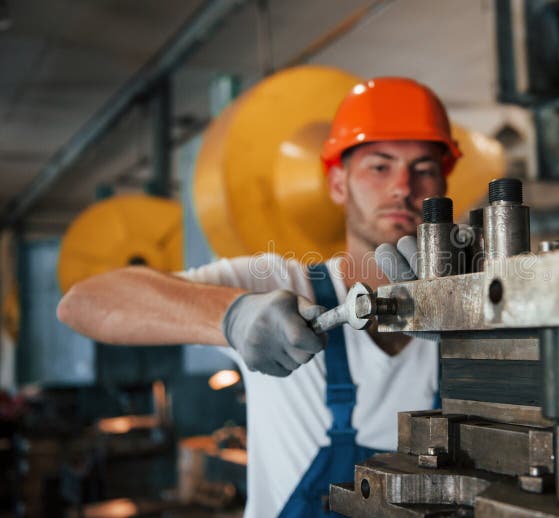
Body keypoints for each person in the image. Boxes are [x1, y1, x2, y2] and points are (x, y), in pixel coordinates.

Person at [57, 77, 463, 517]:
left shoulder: (469, 312)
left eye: (423, 168)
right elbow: (83, 303)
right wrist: (232, 315)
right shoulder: (276, 282)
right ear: (338, 184)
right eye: (379, 166)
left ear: (443, 185)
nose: (403, 186)